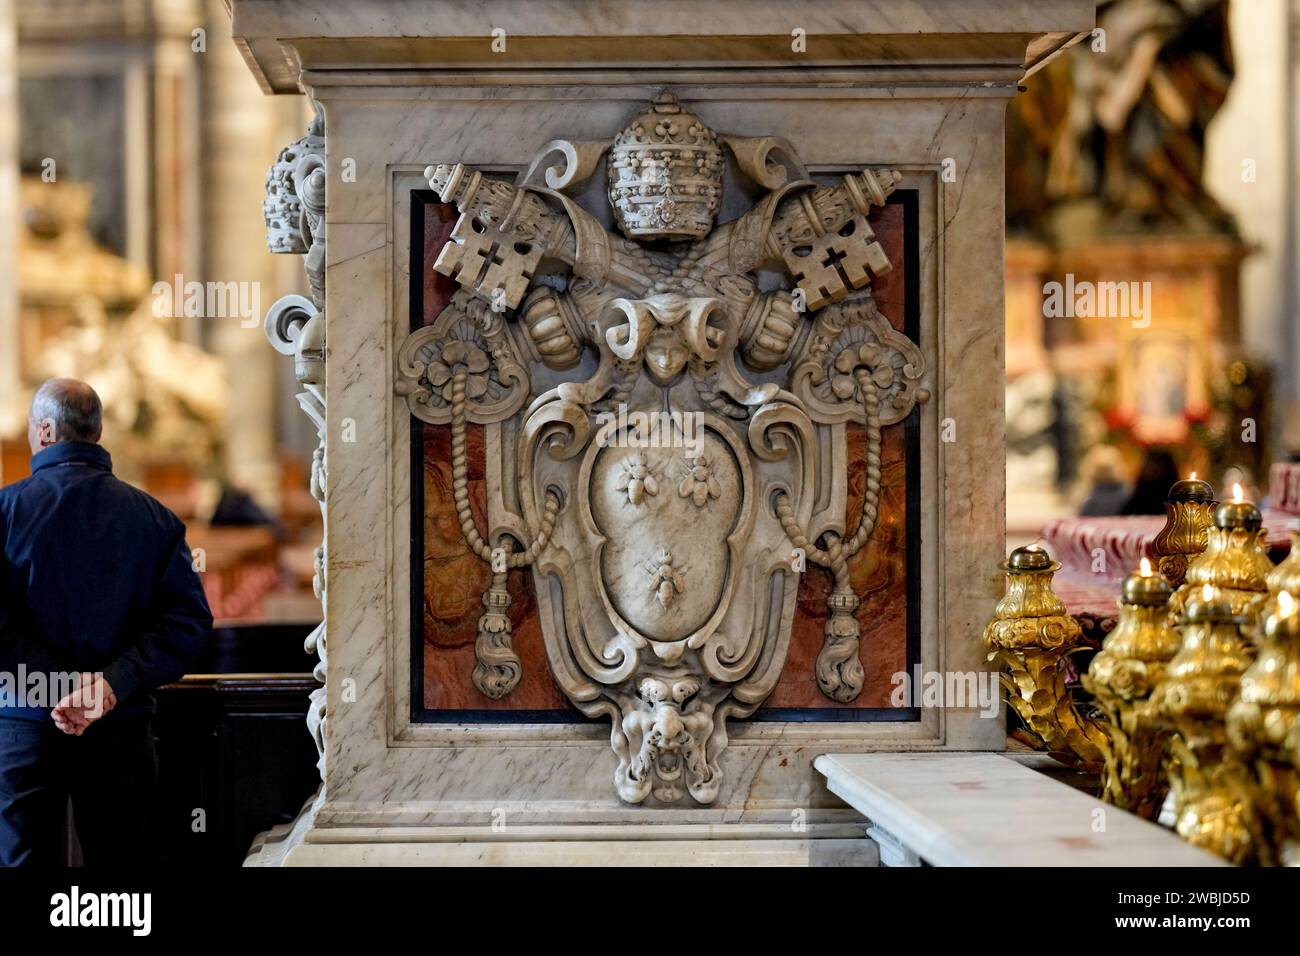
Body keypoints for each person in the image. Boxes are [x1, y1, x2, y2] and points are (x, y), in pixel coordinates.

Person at [0, 379, 212, 866]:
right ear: (96, 433)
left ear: (45, 431)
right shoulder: (155, 518)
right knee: (122, 875)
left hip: (25, 726)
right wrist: (110, 686)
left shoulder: (6, 512)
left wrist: (54, 686)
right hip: (120, 727)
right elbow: (187, 624)